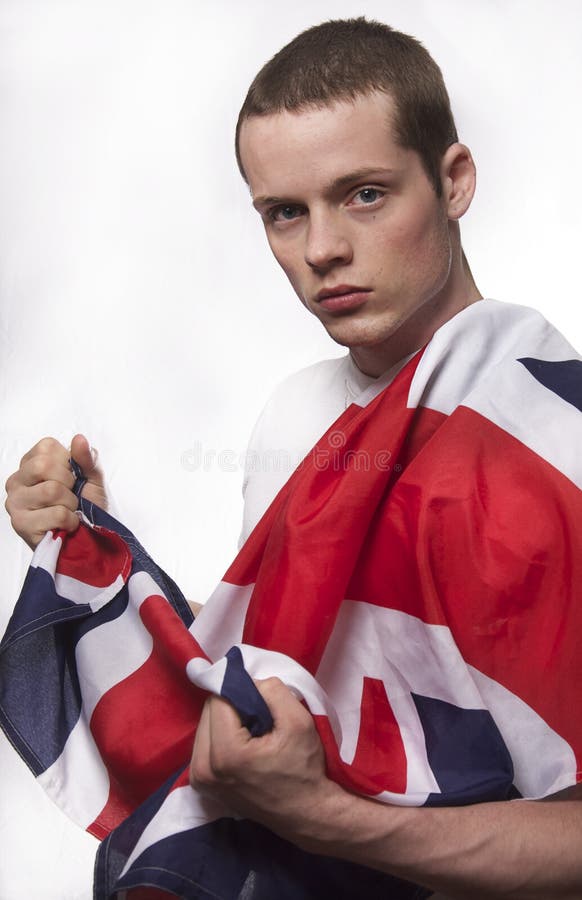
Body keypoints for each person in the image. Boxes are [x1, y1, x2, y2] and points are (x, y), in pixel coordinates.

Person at [4, 17, 582, 900]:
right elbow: (296, 664)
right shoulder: (297, 413)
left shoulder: (551, 437)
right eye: (285, 213)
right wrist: (102, 553)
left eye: (365, 195)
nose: (321, 251)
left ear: (454, 180)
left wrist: (329, 820)